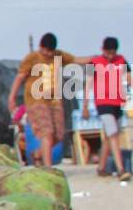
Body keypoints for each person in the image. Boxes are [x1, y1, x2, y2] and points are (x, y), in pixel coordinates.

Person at [7, 33, 90, 167]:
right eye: (47, 51)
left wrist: (95, 59)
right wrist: (12, 98)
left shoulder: (58, 55)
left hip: (55, 101)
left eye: (51, 51)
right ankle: (48, 167)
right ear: (41, 47)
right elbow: (20, 77)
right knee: (47, 133)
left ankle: (38, 154)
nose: (49, 54)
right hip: (36, 101)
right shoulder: (32, 58)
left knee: (58, 135)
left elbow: (75, 60)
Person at [83, 36, 133, 180]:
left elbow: (129, 78)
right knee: (113, 135)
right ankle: (121, 169)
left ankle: (101, 167)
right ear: (102, 50)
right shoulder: (94, 63)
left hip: (117, 103)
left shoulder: (121, 60)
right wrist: (85, 106)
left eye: (113, 53)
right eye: (108, 53)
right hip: (102, 103)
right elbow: (88, 85)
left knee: (109, 137)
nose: (110, 56)